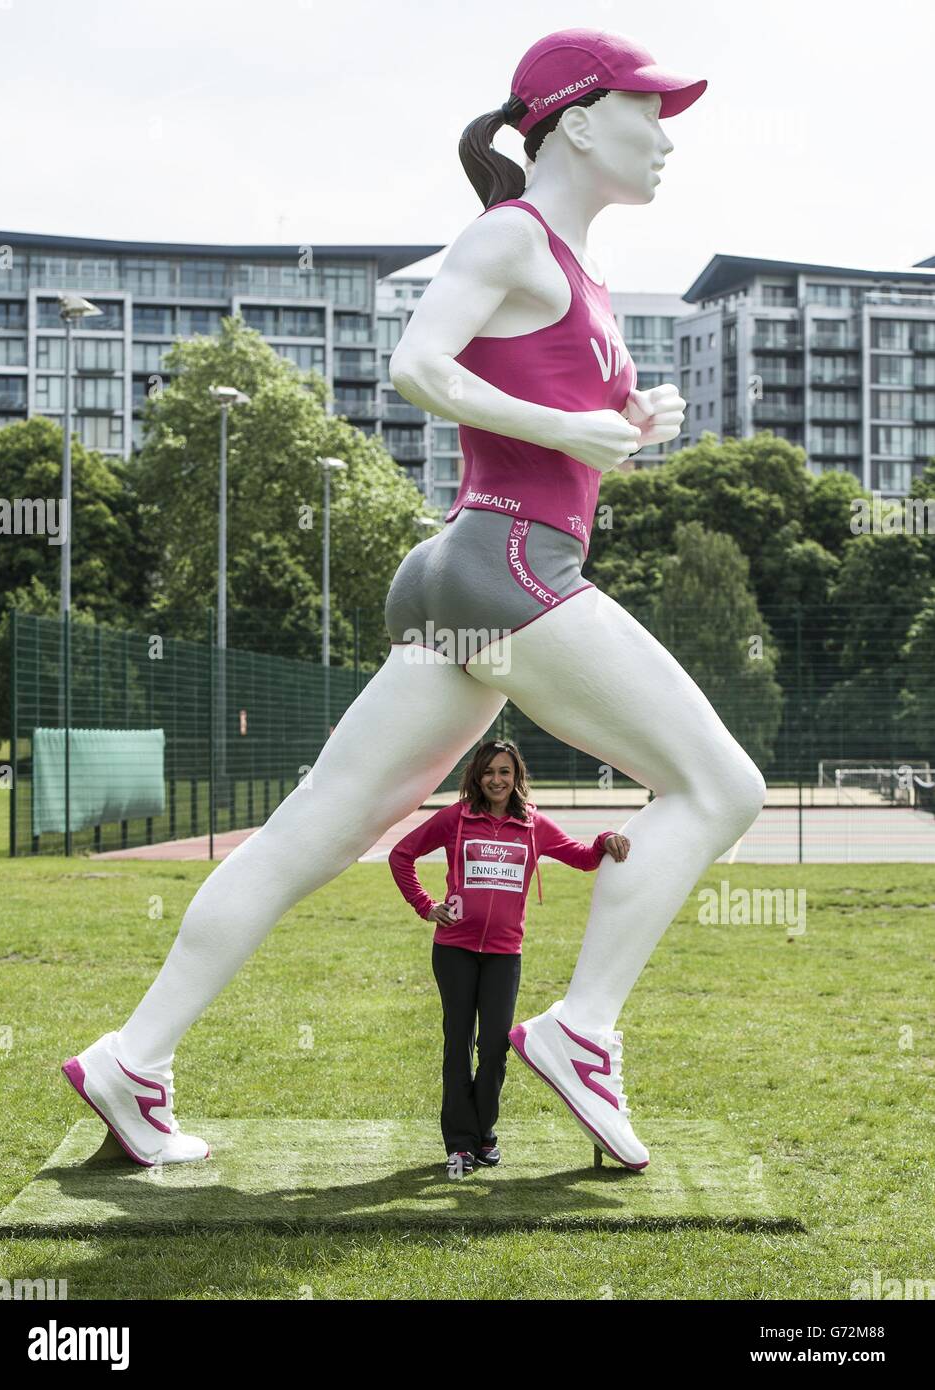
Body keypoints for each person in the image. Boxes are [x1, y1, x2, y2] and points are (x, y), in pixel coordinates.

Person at [61, 27, 765, 1173]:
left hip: (461, 577)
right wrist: (570, 428)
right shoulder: (510, 234)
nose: (667, 136)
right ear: (579, 120)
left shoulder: (575, 274)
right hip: (510, 568)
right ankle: (582, 1032)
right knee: (722, 785)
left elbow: (554, 426)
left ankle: (132, 1059)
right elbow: (417, 366)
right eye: (652, 109)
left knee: (304, 837)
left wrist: (629, 428)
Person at [389, 739, 629, 1178]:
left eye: (504, 772)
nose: (496, 780)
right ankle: (460, 1145)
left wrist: (604, 839)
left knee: (495, 1048)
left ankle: (484, 1135)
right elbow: (401, 855)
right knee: (457, 1047)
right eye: (488, 772)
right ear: (477, 777)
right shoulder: (454, 818)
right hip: (454, 952)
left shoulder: (533, 825)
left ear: (516, 777)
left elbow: (581, 858)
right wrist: (426, 906)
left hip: (504, 956)